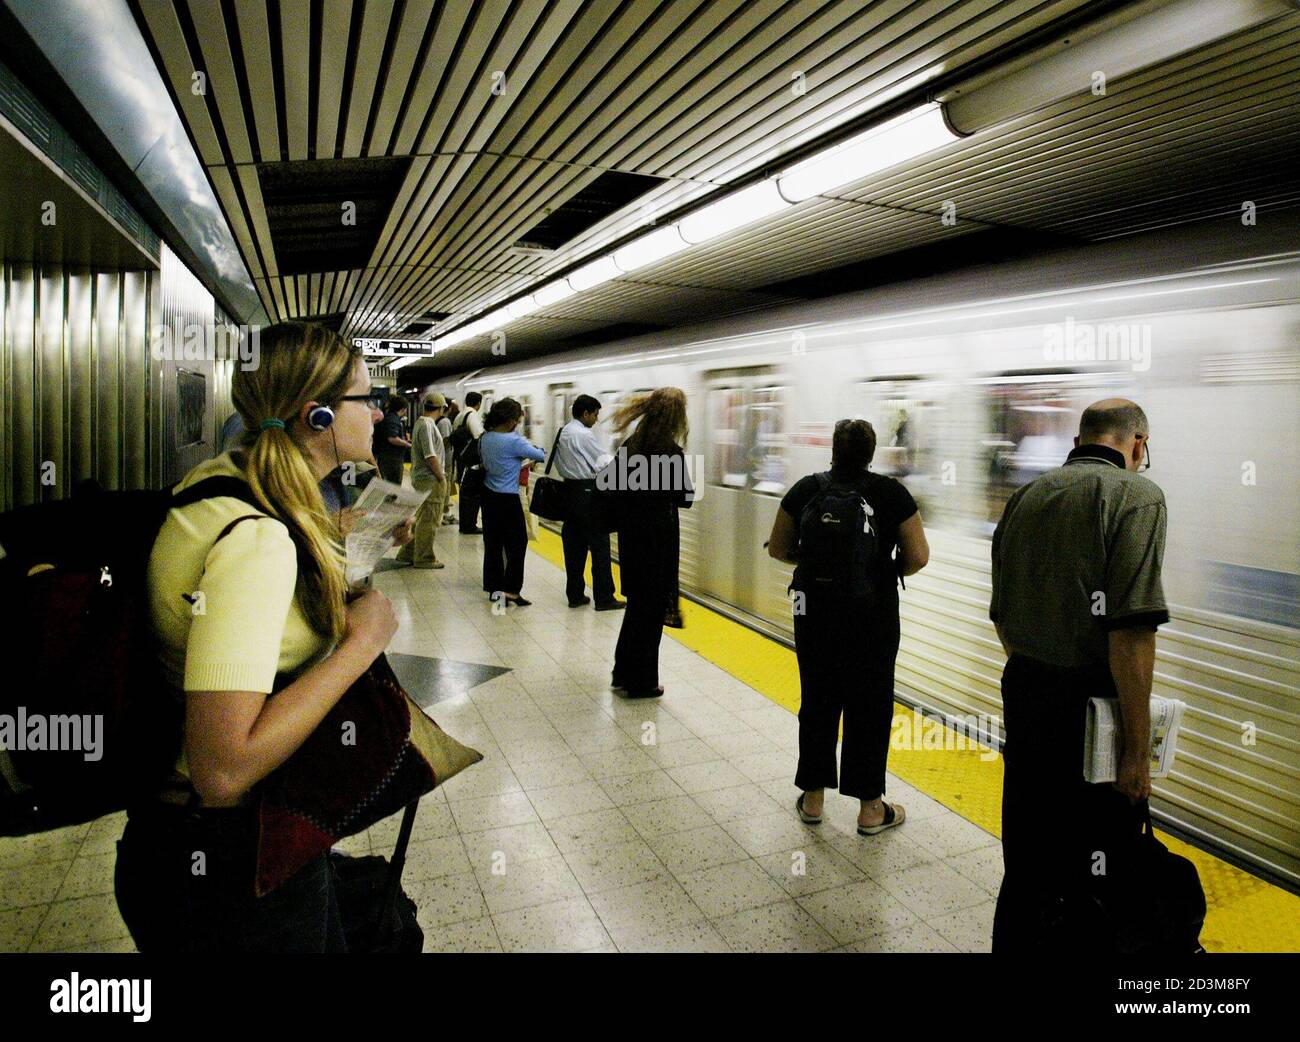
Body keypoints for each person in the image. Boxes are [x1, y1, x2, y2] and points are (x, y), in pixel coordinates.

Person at [115, 321, 407, 952]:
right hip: (228, 864)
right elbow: (223, 768)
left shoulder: (223, 479)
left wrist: (338, 538)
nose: (379, 412)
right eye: (366, 397)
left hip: (207, 847)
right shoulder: (257, 538)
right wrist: (365, 642)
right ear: (320, 415)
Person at [988, 399, 1166, 951]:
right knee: (1096, 871)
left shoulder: (1027, 495)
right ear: (1137, 442)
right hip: (1092, 713)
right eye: (1145, 451)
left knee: (1028, 859)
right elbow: (1131, 634)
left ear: (1079, 439)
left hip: (1026, 691)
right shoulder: (1138, 496)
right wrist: (1136, 752)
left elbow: (1003, 615)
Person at [767, 419, 929, 835]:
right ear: (872, 453)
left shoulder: (807, 489)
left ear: (833, 450)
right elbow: (918, 556)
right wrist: (884, 570)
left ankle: (814, 800)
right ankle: (871, 808)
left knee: (818, 700)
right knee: (870, 706)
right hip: (872, 618)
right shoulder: (891, 494)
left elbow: (780, 547)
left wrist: (814, 567)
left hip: (815, 614)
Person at [607, 388, 693, 698]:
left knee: (637, 609)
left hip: (632, 539)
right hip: (659, 540)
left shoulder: (630, 447)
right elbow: (685, 499)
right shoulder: (671, 454)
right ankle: (641, 682)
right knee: (651, 612)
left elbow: (614, 487)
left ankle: (622, 672)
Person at [554, 394, 622, 611]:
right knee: (600, 546)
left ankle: (575, 594)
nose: (596, 419)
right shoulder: (583, 435)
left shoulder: (563, 431)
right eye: (595, 415)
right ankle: (604, 598)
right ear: (585, 414)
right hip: (588, 494)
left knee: (574, 546)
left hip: (569, 494)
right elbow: (604, 462)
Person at [477, 397, 545, 605]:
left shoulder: (485, 438)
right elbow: (540, 455)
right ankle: (511, 591)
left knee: (493, 544)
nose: (516, 424)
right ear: (509, 420)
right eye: (516, 420)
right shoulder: (513, 441)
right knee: (517, 544)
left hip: (488, 496)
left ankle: (494, 588)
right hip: (508, 498)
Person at [396, 393, 449, 569]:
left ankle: (408, 553)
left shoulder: (421, 423)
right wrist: (441, 477)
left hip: (423, 478)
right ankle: (424, 558)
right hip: (429, 478)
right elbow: (430, 454)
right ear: (441, 409)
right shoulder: (427, 425)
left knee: (422, 517)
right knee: (430, 519)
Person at [453, 391, 485, 533]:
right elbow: (478, 436)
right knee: (471, 495)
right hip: (471, 461)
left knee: (465, 493)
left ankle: (466, 524)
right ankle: (469, 525)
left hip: (460, 457)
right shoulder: (472, 416)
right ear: (478, 404)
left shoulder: (459, 416)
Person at [372, 394, 410, 485]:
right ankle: (390, 499)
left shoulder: (390, 417)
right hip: (392, 460)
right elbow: (392, 438)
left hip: (388, 458)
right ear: (403, 409)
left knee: (390, 484)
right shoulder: (393, 419)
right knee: (393, 486)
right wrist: (406, 444)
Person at [439, 399, 457, 525]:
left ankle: (445, 513)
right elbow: (445, 439)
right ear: (448, 408)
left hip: (443, 458)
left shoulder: (438, 420)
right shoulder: (445, 421)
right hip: (445, 459)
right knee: (446, 485)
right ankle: (445, 514)